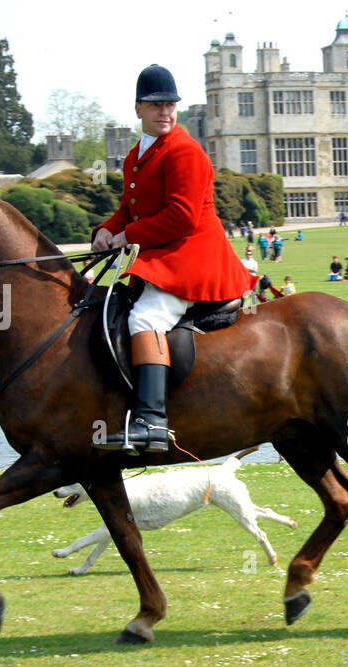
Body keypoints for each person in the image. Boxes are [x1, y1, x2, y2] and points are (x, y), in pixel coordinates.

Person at [90, 63, 254, 453]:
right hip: (164, 254)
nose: (165, 112)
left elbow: (181, 218)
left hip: (193, 257)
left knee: (145, 317)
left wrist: (127, 236)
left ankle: (152, 422)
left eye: (171, 105)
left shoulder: (184, 151)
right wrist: (105, 231)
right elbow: (129, 211)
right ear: (138, 110)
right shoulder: (137, 155)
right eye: (156, 105)